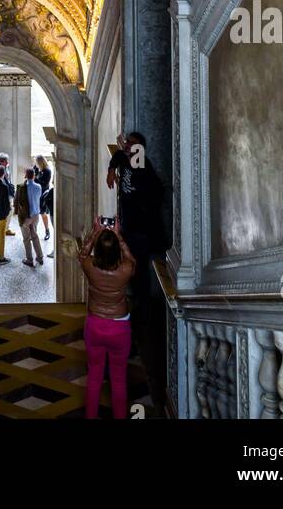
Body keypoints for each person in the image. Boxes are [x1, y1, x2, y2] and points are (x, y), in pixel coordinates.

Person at [107, 131, 167, 408]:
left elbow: (156, 191)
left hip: (142, 234)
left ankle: (139, 323)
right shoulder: (124, 158)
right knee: (132, 276)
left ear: (140, 148)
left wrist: (143, 210)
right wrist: (112, 170)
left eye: (132, 143)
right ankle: (135, 319)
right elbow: (118, 155)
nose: (126, 146)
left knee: (140, 281)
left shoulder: (143, 166)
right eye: (127, 142)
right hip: (130, 231)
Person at [78, 217, 135, 419]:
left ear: (98, 251)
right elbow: (132, 260)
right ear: (116, 251)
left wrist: (95, 233)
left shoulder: (89, 266)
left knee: (94, 377)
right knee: (118, 380)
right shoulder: (126, 269)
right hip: (119, 329)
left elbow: (82, 253)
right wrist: (118, 236)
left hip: (94, 326)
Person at [14, 167, 44, 268]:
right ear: (34, 175)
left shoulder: (20, 187)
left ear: (26, 176)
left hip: (25, 217)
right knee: (35, 236)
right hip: (35, 215)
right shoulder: (38, 187)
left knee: (26, 239)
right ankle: (40, 257)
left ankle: (29, 259)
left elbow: (16, 202)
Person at [34, 154, 53, 245]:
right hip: (36, 194)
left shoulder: (47, 171)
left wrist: (35, 179)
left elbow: (44, 184)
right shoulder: (38, 169)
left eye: (37, 163)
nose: (35, 164)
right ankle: (34, 233)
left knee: (43, 213)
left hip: (43, 194)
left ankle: (47, 231)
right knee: (35, 214)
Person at [0, 153, 15, 236]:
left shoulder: (6, 168)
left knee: (10, 210)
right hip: (4, 194)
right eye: (5, 161)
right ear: (1, 162)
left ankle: (5, 228)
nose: (7, 162)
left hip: (8, 192)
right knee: (9, 210)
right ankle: (4, 229)